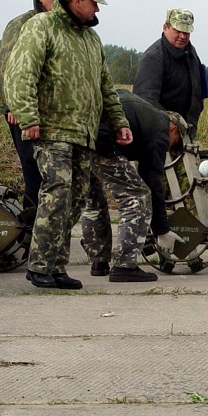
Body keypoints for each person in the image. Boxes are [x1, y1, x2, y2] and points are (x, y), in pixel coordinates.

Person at [3, 0, 131, 290]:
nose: (97, 10)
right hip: (51, 128)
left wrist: (119, 122)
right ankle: (39, 267)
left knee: (75, 198)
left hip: (83, 133)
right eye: (93, 3)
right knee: (56, 191)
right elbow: (20, 73)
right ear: (77, 0)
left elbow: (105, 87)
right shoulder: (42, 27)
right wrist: (27, 116)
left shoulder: (91, 40)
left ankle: (57, 267)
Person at [80, 90, 189, 282]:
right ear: (174, 129)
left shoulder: (144, 113)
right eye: (176, 143)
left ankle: (99, 261)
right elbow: (152, 182)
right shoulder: (160, 131)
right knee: (137, 196)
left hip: (78, 135)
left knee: (94, 200)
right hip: (102, 138)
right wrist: (162, 230)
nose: (171, 148)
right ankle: (125, 265)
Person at [0, 0, 65, 212]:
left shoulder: (62, 26)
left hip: (52, 113)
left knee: (51, 175)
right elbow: (6, 68)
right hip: (23, 112)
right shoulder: (22, 23)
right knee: (32, 170)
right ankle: (29, 227)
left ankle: (43, 227)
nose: (58, 3)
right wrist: (15, 107)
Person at [133, 8, 208, 139]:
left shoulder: (191, 53)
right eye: (178, 31)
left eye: (186, 32)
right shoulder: (154, 57)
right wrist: (170, 126)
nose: (183, 36)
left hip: (187, 132)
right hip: (160, 135)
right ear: (165, 27)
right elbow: (144, 102)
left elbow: (199, 92)